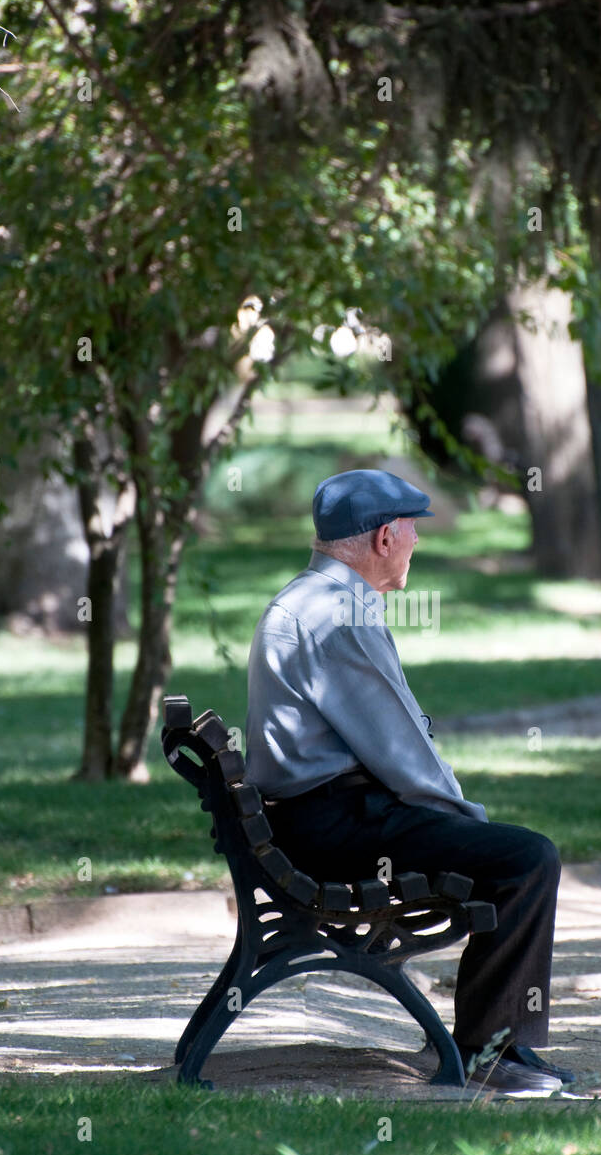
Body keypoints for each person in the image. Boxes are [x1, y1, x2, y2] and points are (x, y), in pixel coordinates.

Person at [245, 468, 572, 1096]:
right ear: (386, 538)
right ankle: (492, 1053)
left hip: (309, 819)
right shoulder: (339, 616)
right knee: (527, 858)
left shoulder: (309, 599)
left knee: (512, 853)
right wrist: (466, 822)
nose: (418, 542)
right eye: (414, 530)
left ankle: (494, 1045)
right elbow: (404, 754)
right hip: (334, 826)